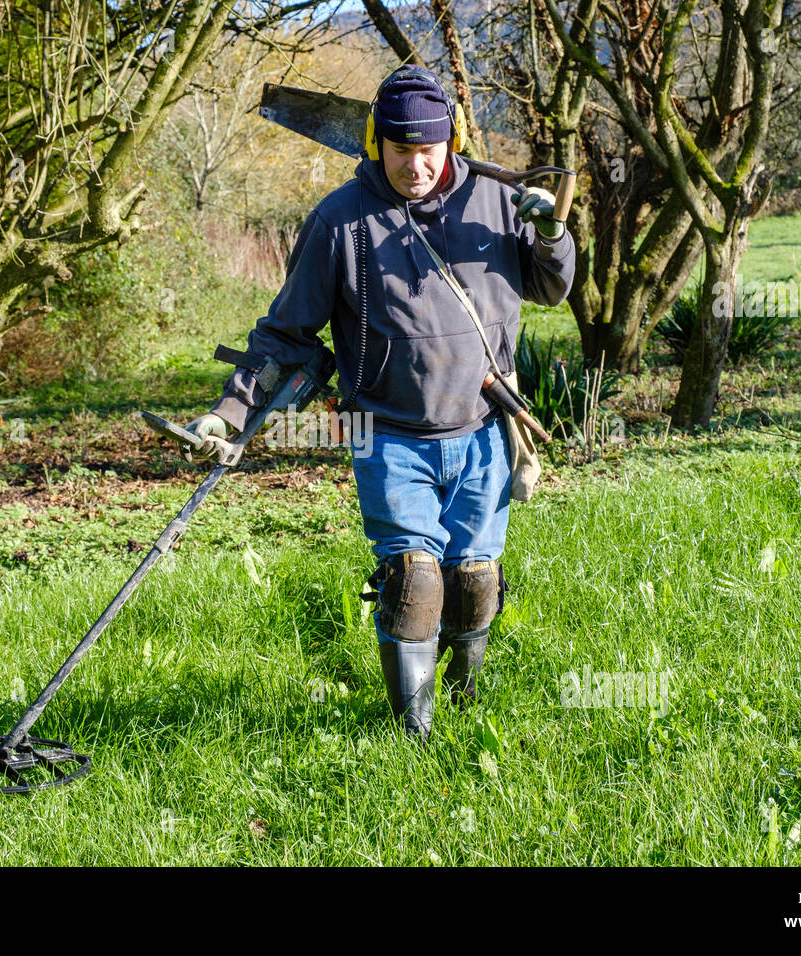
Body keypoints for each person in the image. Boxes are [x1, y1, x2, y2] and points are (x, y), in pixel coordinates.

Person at [185, 66, 575, 739]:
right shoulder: (341, 220)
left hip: (484, 426)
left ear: (449, 140)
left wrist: (550, 235)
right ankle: (412, 736)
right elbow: (287, 333)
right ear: (375, 143)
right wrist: (230, 414)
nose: (416, 166)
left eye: (428, 150)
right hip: (387, 432)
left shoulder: (496, 200)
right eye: (401, 151)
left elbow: (551, 289)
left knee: (476, 577)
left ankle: (464, 698)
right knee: (414, 579)